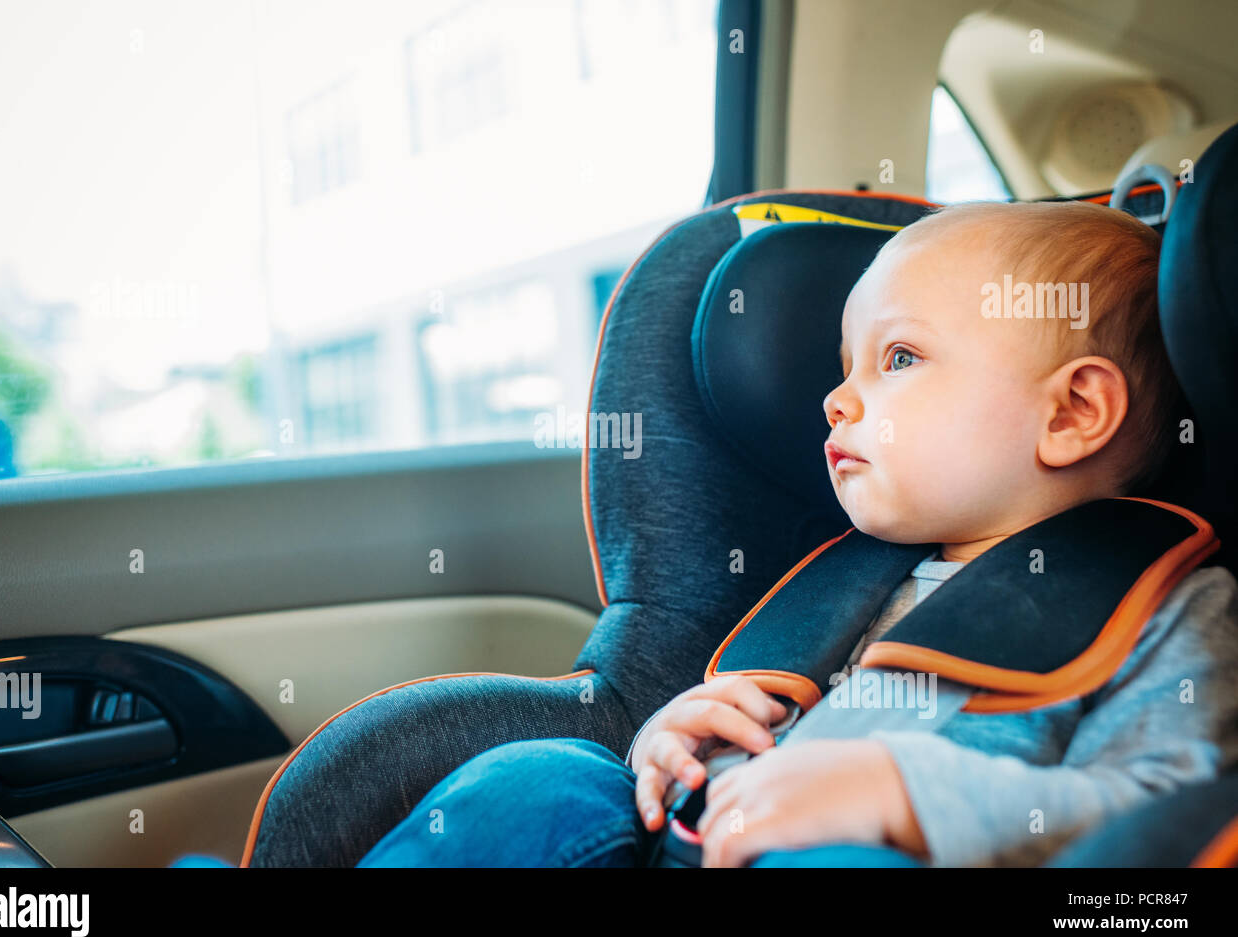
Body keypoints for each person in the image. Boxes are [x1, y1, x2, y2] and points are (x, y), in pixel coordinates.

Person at [357, 200, 1238, 868]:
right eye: (842, 366)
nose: (837, 398)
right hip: (707, 837)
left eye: (897, 359)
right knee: (542, 779)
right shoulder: (848, 585)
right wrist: (672, 746)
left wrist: (899, 796)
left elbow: (1171, 821)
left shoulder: (1169, 605)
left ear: (1073, 412)